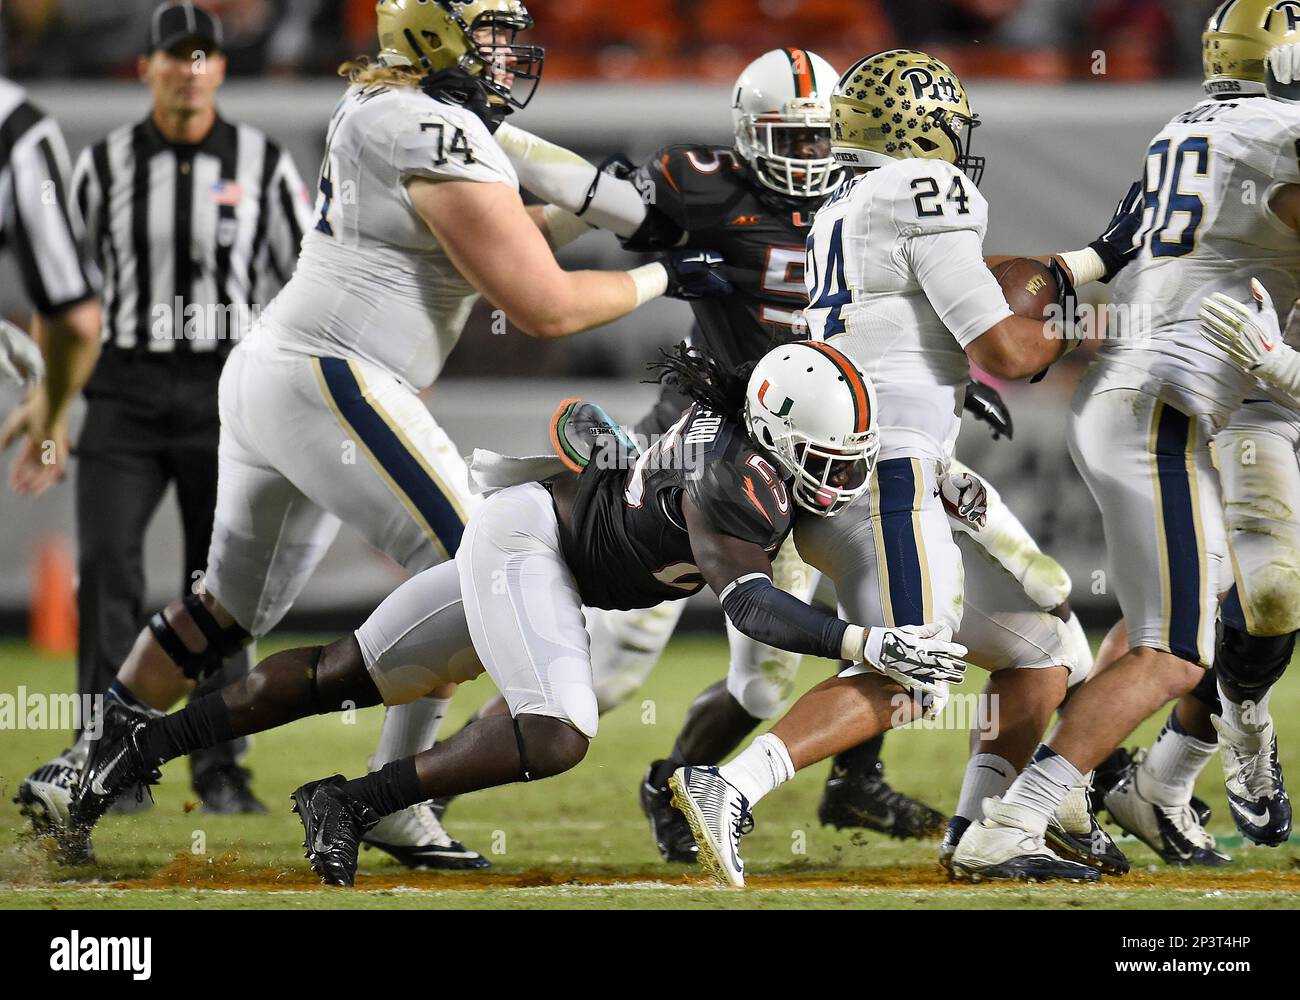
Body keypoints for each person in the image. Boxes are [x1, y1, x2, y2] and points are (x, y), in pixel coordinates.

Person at [32, 0, 733, 869]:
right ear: (432, 29)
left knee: (224, 611)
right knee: (481, 564)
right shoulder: (430, 125)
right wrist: (669, 274)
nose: (508, 51)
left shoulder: (391, 109)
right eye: (490, 31)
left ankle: (83, 765)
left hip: (284, 372)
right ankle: (400, 797)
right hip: (332, 373)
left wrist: (594, 211)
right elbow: (541, 302)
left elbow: (488, 248)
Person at [482, 47, 1105, 865]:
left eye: (819, 137)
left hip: (830, 443)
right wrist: (498, 169)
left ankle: (979, 815)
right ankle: (708, 781)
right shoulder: (750, 190)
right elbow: (591, 205)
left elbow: (898, 322)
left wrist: (949, 377)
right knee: (796, 664)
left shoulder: (848, 203)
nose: (808, 154)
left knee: (1021, 639)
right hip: (757, 446)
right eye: (791, 137)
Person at [66, 341, 978, 888]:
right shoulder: (736, 477)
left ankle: (132, 749)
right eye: (826, 455)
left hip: (547, 545)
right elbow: (754, 606)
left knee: (346, 672)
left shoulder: (756, 445)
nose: (842, 476)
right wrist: (865, 641)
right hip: (531, 543)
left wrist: (936, 471)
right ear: (776, 437)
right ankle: (346, 802)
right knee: (558, 733)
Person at [669, 48, 1136, 888]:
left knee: (1040, 650)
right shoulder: (933, 189)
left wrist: (1096, 253)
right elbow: (1004, 344)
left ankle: (984, 830)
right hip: (882, 469)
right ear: (921, 129)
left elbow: (965, 300)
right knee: (912, 669)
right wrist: (1098, 315)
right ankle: (730, 785)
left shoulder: (845, 203)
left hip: (861, 468)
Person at [953, 0, 1300, 881]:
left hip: (1144, 389)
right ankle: (1017, 820)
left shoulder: (1182, 127)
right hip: (1168, 408)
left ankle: (1084, 796)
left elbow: (1105, 248)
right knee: (1177, 652)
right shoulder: (1278, 136)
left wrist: (1042, 285)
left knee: (1181, 618)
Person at [16, 1, 315, 832]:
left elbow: (306, 281)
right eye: (173, 55)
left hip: (226, 395)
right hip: (123, 392)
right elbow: (59, 289)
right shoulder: (101, 165)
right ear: (144, 66)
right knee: (107, 570)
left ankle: (221, 764)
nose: (188, 68)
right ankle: (103, 761)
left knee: (218, 591)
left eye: (202, 55)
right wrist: (53, 405)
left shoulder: (260, 161)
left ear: (221, 68)